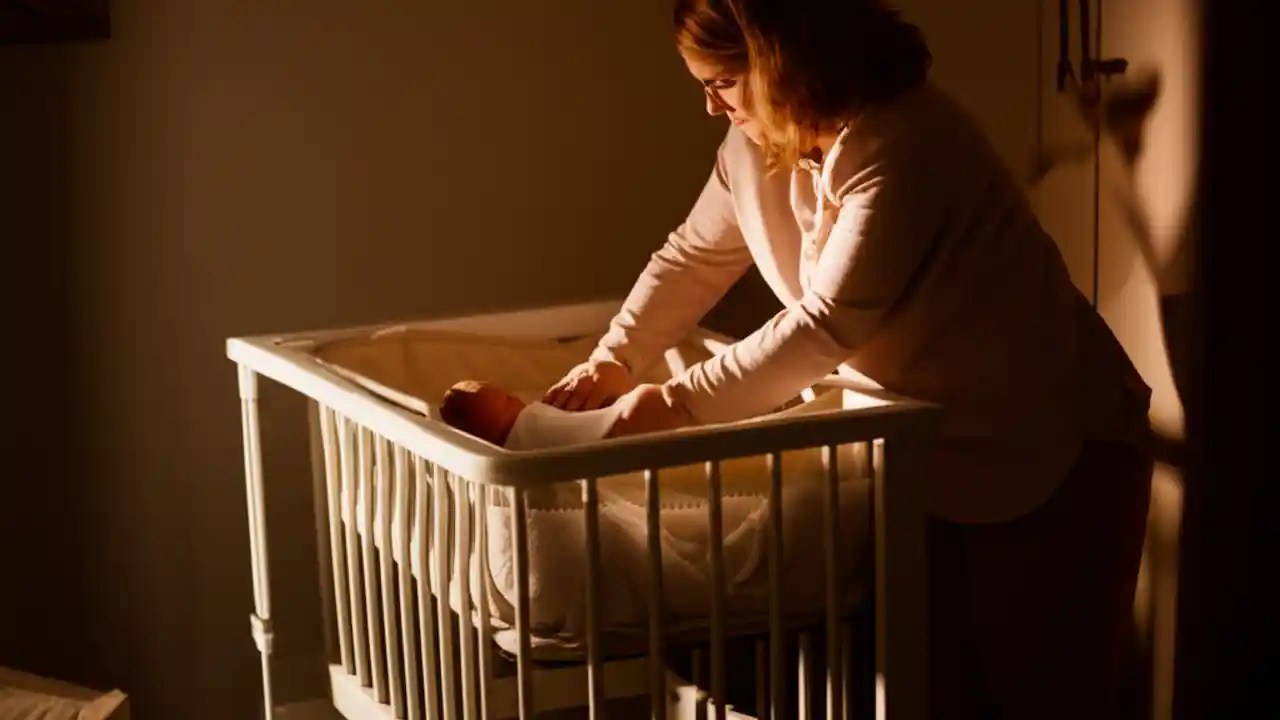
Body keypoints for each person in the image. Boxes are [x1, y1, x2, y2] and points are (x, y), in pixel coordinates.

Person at [542, 0, 1154, 717]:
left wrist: (674, 404)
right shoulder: (758, 149)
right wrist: (613, 361)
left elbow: (826, 324)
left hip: (1055, 438)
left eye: (724, 83)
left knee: (1041, 697)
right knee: (940, 691)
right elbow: (693, 257)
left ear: (780, 63)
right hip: (929, 447)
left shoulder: (908, 141)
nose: (711, 107)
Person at [439, 380, 627, 450]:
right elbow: (597, 428)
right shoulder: (531, 422)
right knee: (643, 400)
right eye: (508, 400)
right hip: (621, 424)